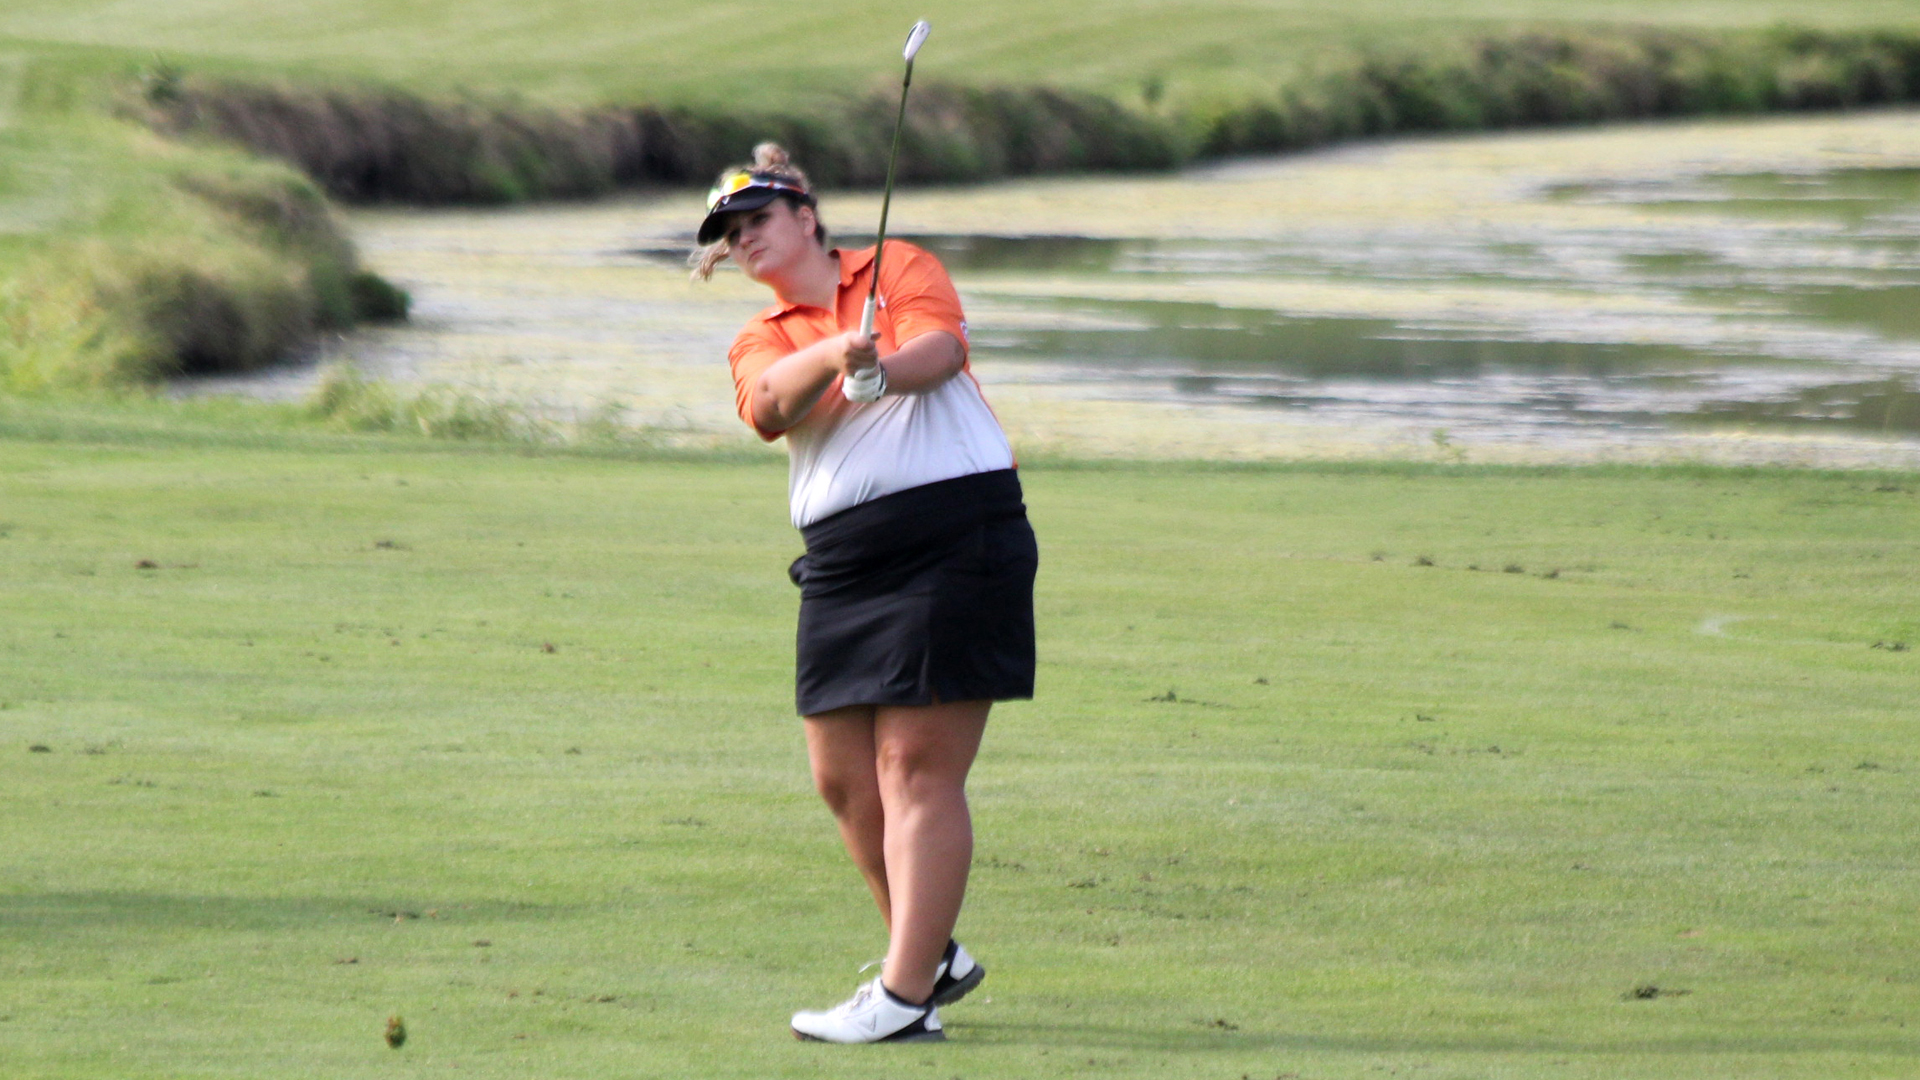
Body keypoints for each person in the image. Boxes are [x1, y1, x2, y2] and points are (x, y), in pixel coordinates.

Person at [691, 143, 1038, 1044]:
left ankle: (904, 997)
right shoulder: (761, 337)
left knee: (915, 769)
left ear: (805, 214)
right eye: (730, 235)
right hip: (845, 562)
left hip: (956, 535)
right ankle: (932, 954)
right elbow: (769, 406)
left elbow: (941, 350)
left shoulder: (897, 266)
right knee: (844, 781)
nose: (744, 240)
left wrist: (884, 366)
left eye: (756, 219)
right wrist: (840, 354)